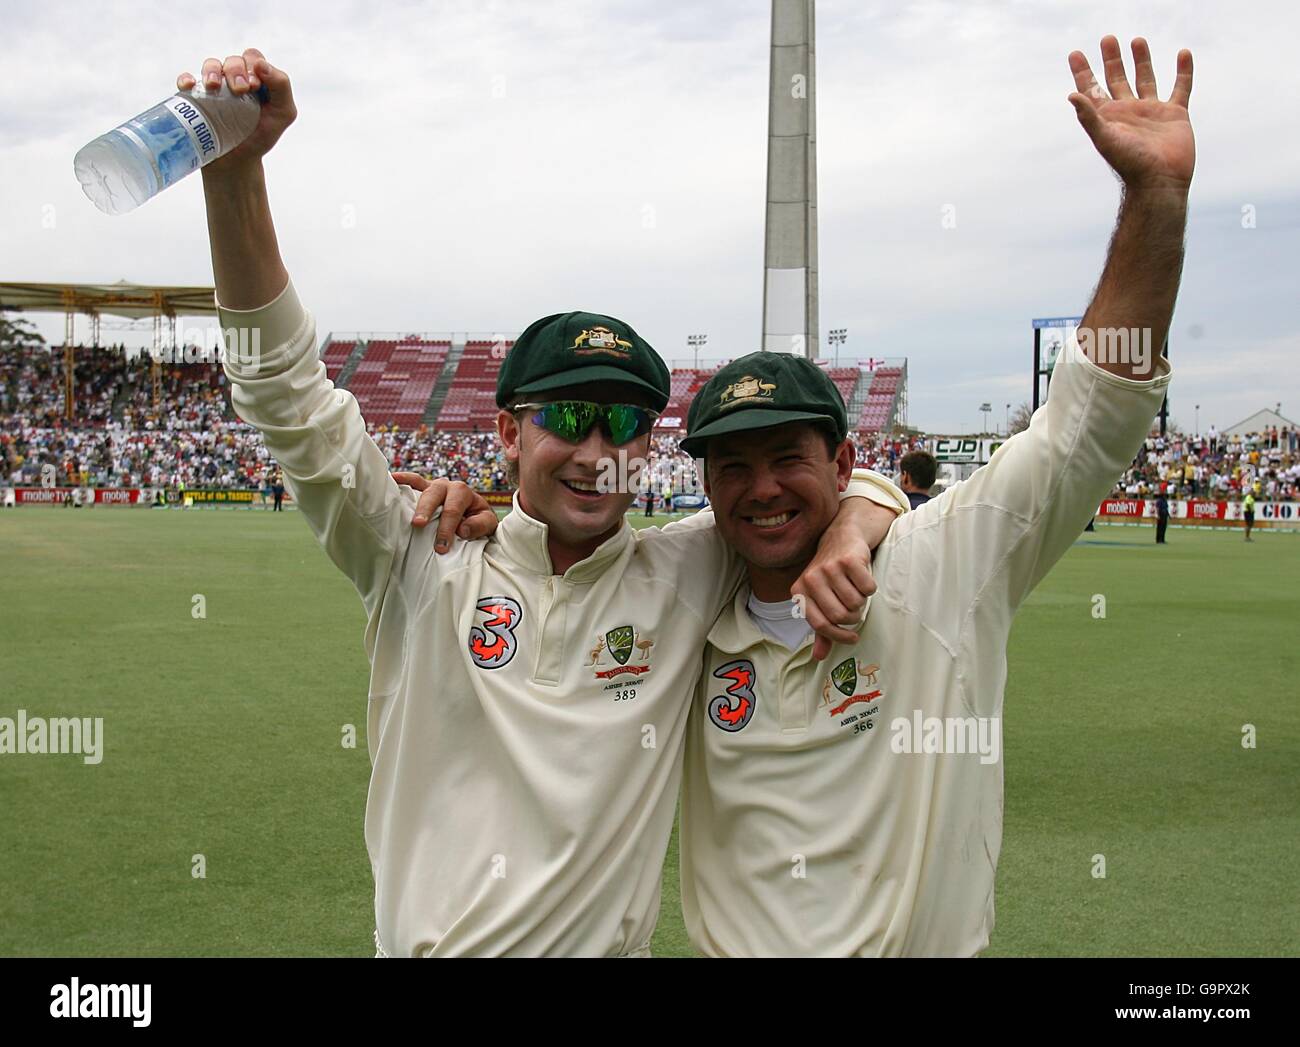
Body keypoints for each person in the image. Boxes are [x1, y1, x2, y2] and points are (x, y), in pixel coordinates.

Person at [181, 47, 904, 957]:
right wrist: (234, 173)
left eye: (624, 423)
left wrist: (857, 520)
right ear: (508, 432)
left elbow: (803, 495)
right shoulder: (417, 550)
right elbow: (288, 397)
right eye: (565, 416)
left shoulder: (690, 566)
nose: (597, 451)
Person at [673, 33, 1189, 956]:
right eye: (732, 467)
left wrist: (1154, 197)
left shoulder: (947, 562)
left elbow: (1090, 419)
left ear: (843, 461)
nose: (762, 489)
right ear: (706, 484)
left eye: (787, 456)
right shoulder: (678, 600)